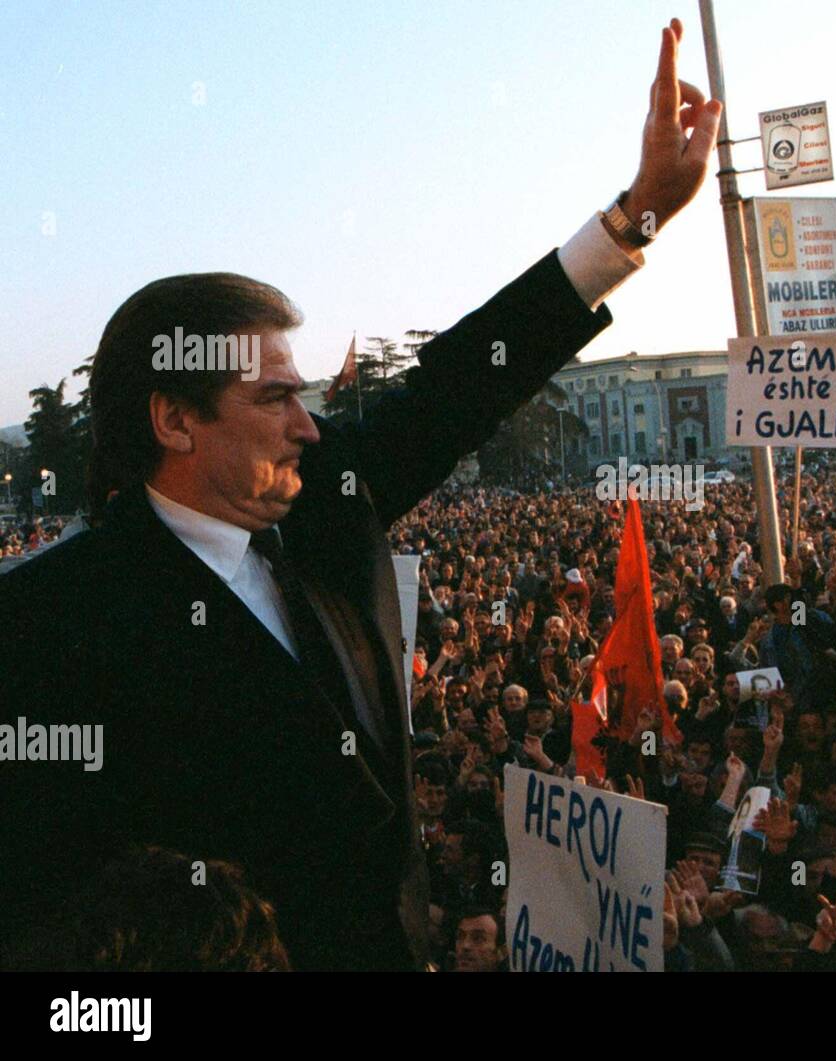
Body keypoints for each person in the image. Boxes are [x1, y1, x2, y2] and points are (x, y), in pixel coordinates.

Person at [0, 19, 723, 971]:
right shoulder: (48, 619)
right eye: (275, 399)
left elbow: (460, 385)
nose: (307, 425)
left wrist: (634, 217)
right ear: (175, 420)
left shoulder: (327, 503)